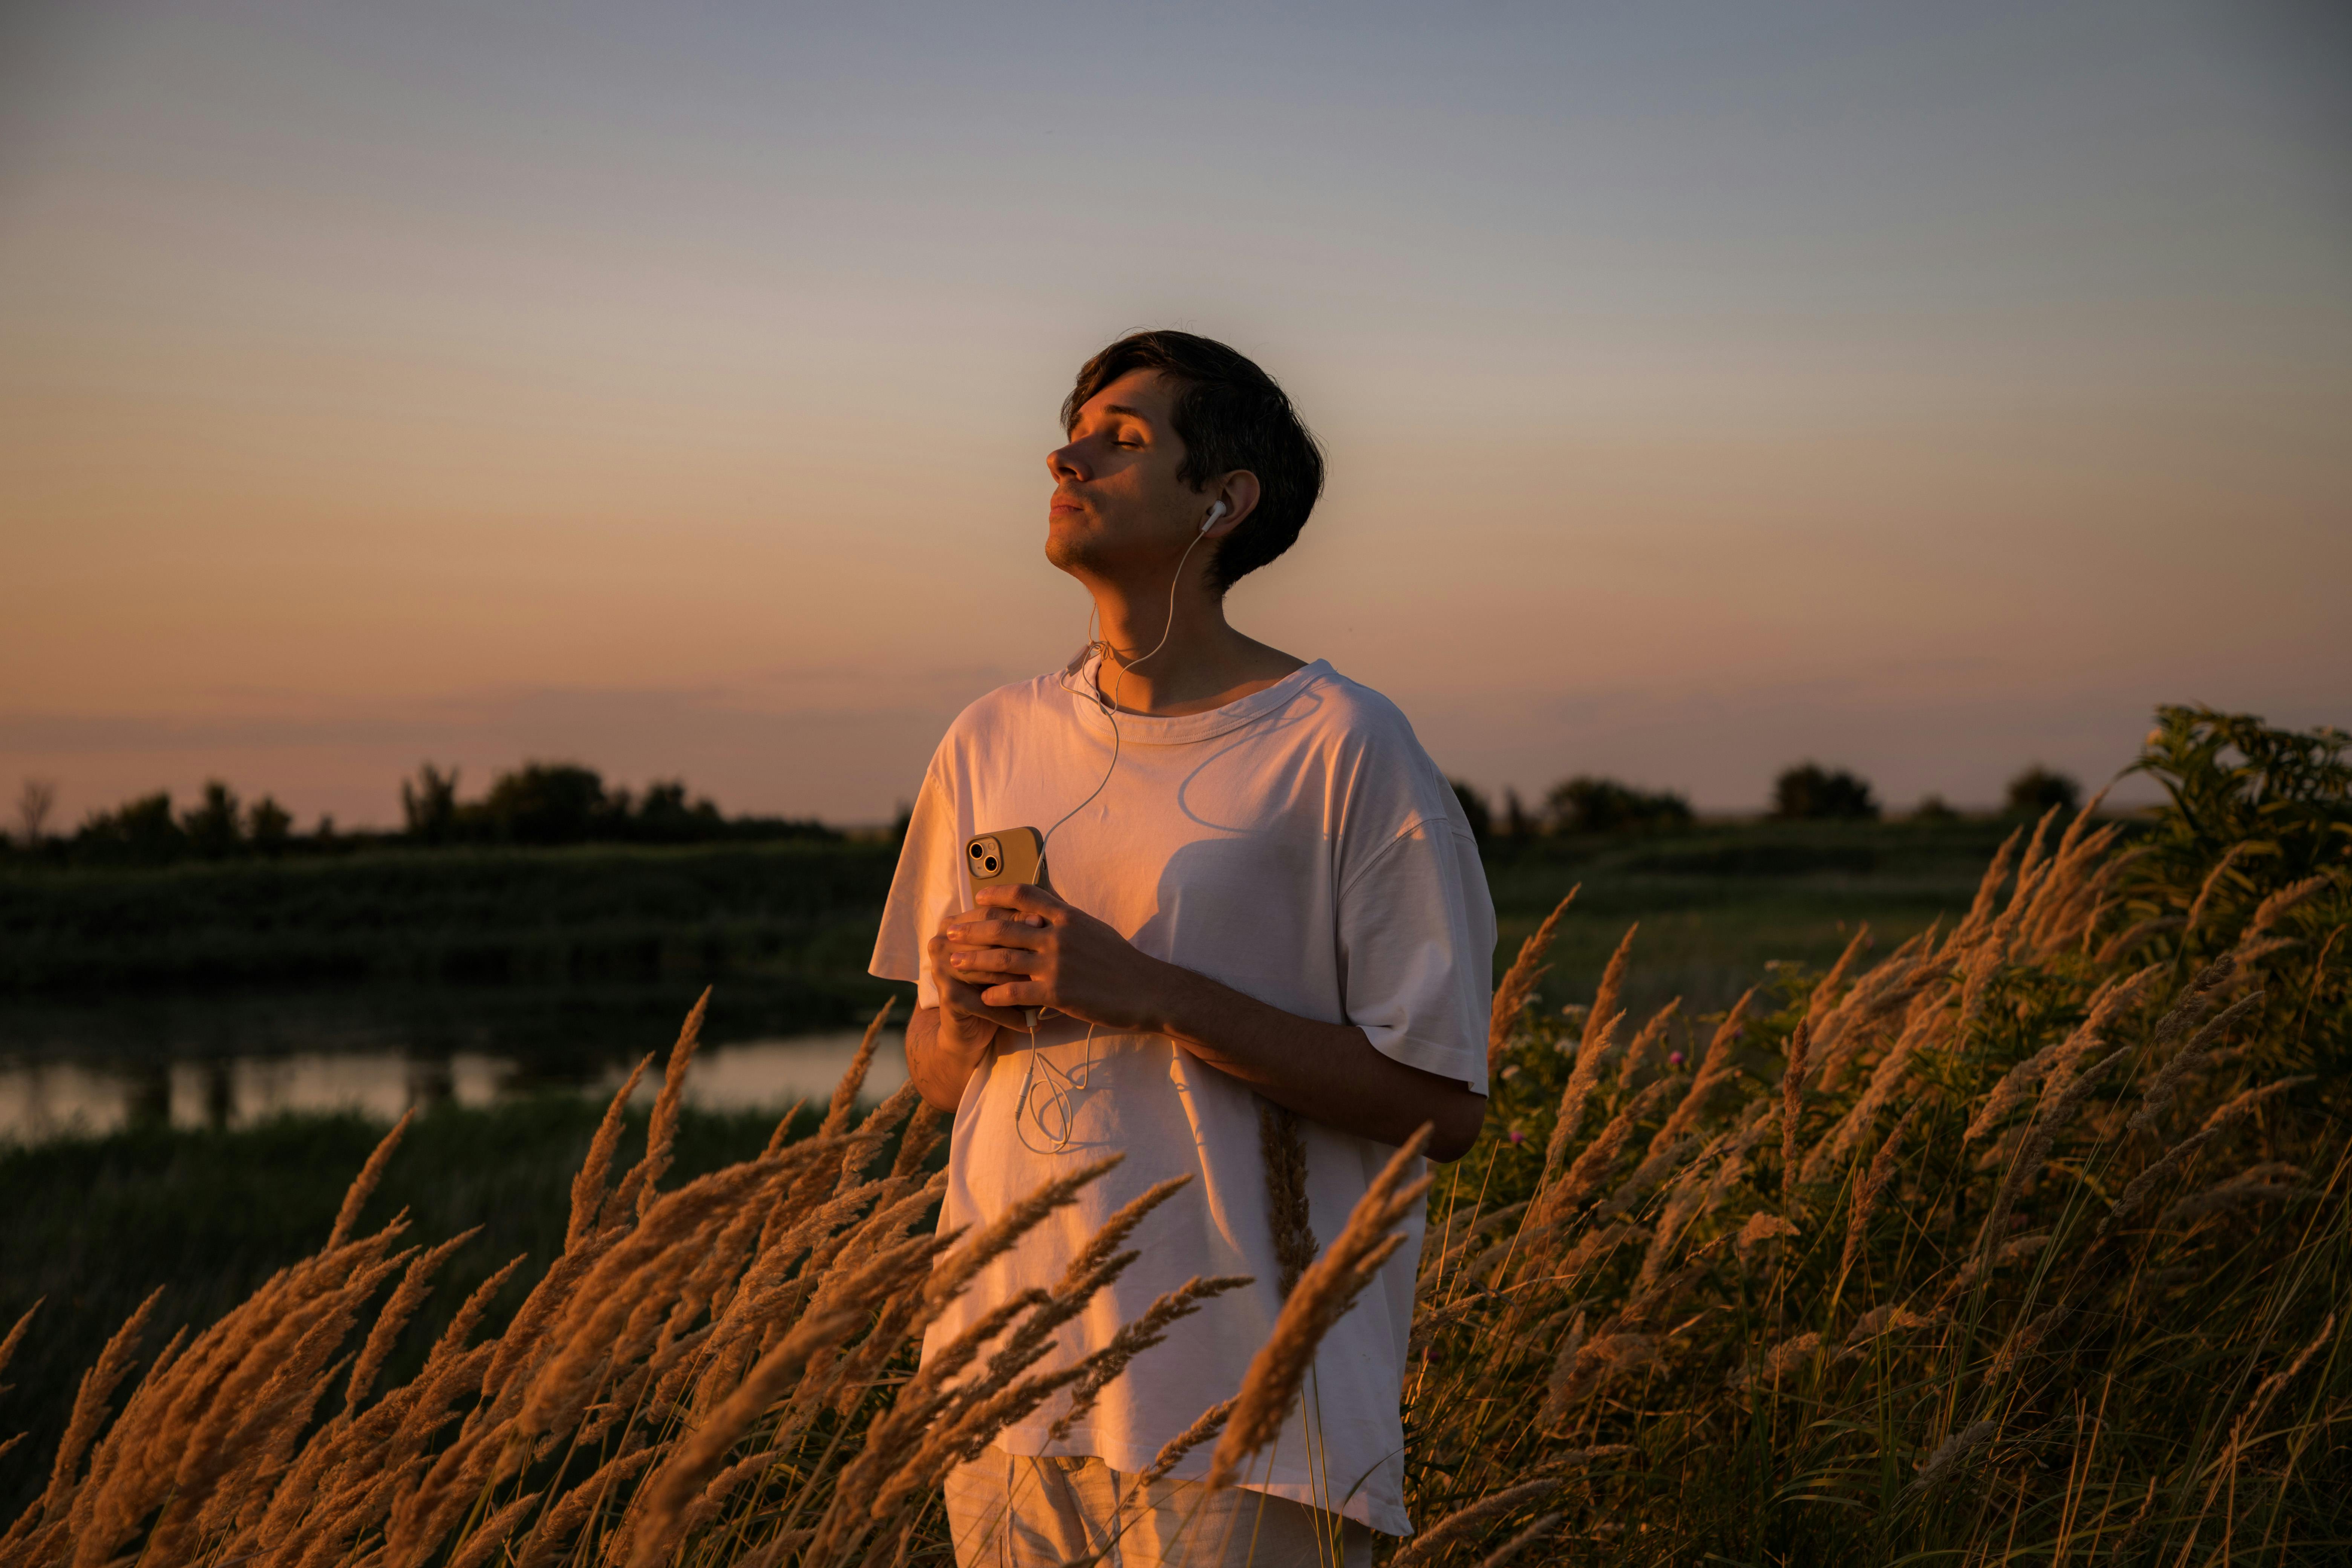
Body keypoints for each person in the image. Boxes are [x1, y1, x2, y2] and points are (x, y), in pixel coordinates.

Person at [869, 331, 1495, 1566]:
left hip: (1251, 1410)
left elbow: (1442, 1107)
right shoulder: (990, 738)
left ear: (1226, 501)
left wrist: (1149, 991)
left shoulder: (1343, 745)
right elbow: (939, 1072)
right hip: (1008, 1390)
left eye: (1124, 436)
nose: (1068, 452)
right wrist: (978, 1011)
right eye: (1075, 427)